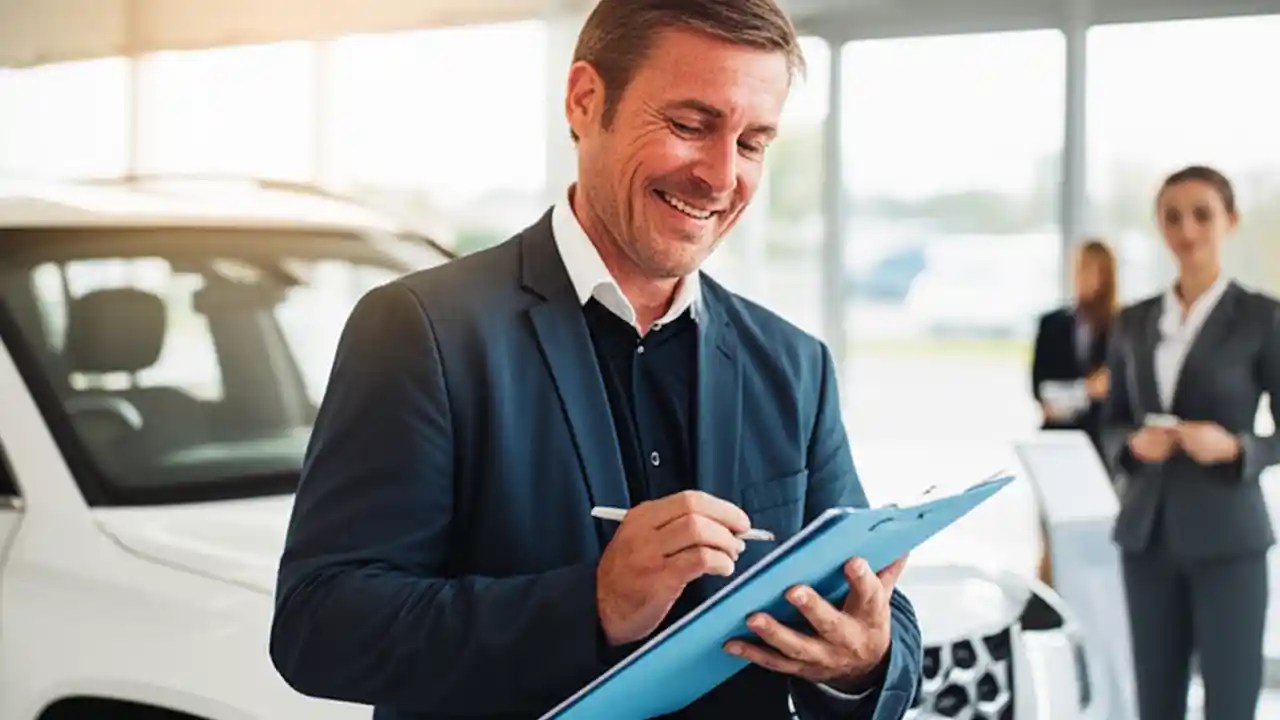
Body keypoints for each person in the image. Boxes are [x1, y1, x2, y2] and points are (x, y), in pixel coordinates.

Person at [269, 2, 922, 719]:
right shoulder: (425, 330)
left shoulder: (794, 364)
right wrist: (594, 604)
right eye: (689, 125)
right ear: (585, 101)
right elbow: (320, 627)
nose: (720, 175)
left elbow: (875, 607)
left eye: (753, 143)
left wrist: (864, 658)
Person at [1101, 165, 1279, 720]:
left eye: (1202, 214)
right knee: (1156, 703)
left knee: (1229, 701)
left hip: (1229, 539)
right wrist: (1132, 444)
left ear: (1230, 220)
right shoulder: (1132, 321)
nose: (1188, 229)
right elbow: (1109, 424)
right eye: (1172, 216)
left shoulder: (1262, 318)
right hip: (1146, 537)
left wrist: (1235, 449)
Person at [1031, 239, 1118, 454]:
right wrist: (1087, 390)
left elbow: (1118, 396)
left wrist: (1069, 395)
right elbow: (1044, 394)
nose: (1082, 277)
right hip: (1056, 443)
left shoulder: (1122, 329)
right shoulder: (1052, 324)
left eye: (1091, 270)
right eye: (1079, 269)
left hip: (1103, 446)